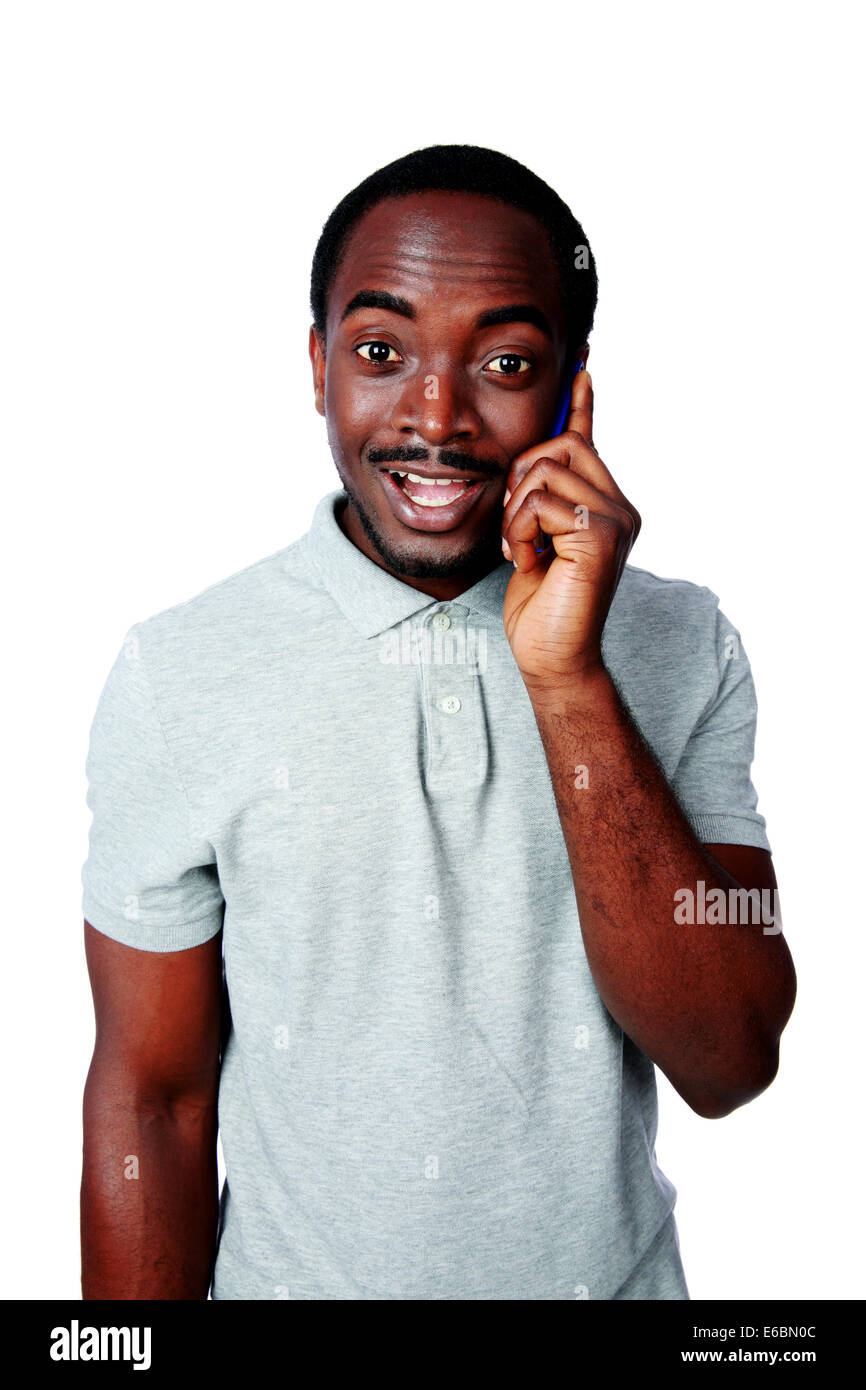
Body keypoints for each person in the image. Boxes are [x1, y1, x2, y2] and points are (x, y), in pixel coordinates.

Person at [80, 144, 796, 1301]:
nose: (435, 415)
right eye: (379, 351)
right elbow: (149, 1102)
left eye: (505, 361)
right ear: (318, 366)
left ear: (573, 385)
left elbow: (728, 1060)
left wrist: (568, 680)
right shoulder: (182, 669)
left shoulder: (683, 643)